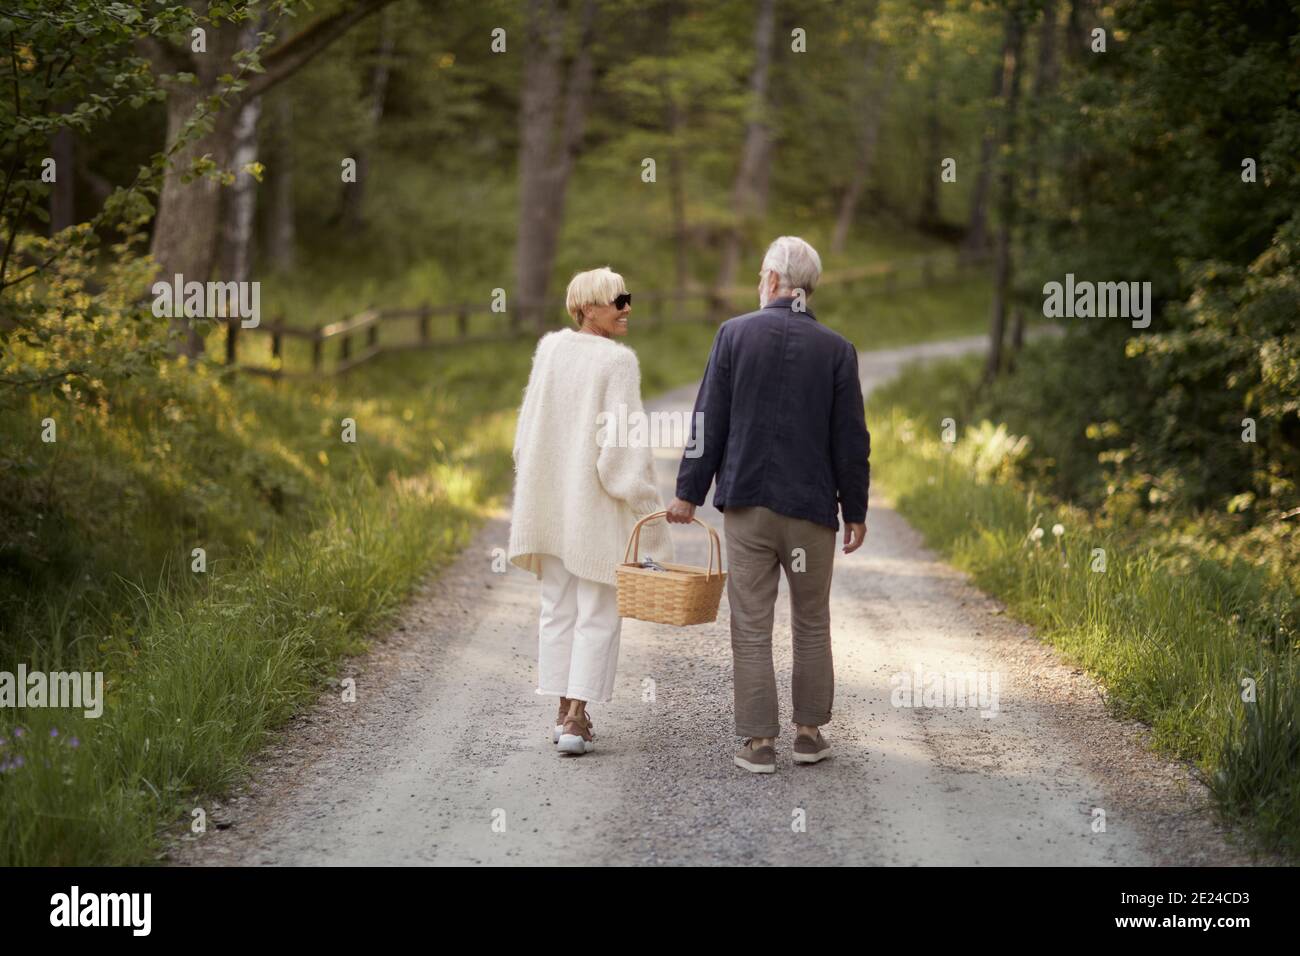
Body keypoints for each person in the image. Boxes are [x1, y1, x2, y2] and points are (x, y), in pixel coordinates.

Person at [668, 236, 869, 773]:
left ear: (775, 281)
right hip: (810, 515)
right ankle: (808, 734)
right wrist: (856, 510)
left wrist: (689, 492)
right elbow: (851, 439)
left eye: (761, 276)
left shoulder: (734, 335)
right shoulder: (837, 349)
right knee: (811, 620)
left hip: (750, 508)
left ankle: (758, 743)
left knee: (752, 624)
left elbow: (707, 421)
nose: (760, 285)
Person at [509, 266, 670, 756]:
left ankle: (562, 712)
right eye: (615, 300)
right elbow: (621, 454)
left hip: (550, 507)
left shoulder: (549, 350)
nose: (626, 308)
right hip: (595, 511)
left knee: (557, 607)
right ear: (585, 309)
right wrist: (649, 507)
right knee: (597, 613)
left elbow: (525, 434)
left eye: (627, 298)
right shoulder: (617, 363)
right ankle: (577, 719)